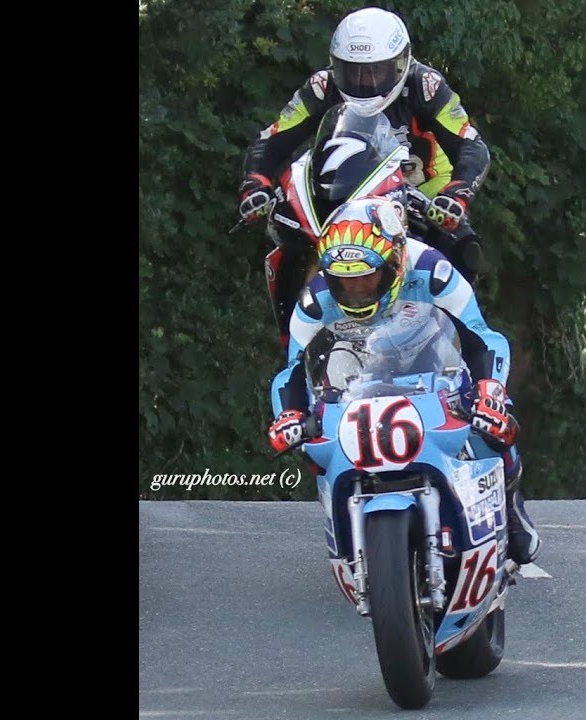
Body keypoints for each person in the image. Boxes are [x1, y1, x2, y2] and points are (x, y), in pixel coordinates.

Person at [265, 197, 539, 566]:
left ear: (395, 261)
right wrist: (290, 415)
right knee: (313, 437)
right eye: (343, 280)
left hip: (434, 362)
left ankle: (510, 502)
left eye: (367, 276)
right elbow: (293, 370)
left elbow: (482, 339)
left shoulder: (433, 270)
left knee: (494, 418)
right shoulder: (316, 299)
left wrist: (489, 389)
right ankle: (347, 521)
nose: (356, 289)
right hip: (359, 373)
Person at [239, 7, 492, 341]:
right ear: (335, 65)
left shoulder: (425, 86)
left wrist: (456, 194)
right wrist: (255, 182)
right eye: (352, 72)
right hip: (344, 190)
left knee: (462, 246)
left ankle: (468, 340)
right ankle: (292, 341)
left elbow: (471, 144)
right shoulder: (321, 87)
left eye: (376, 71)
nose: (364, 81)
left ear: (401, 63)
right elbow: (272, 139)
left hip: (421, 187)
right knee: (288, 237)